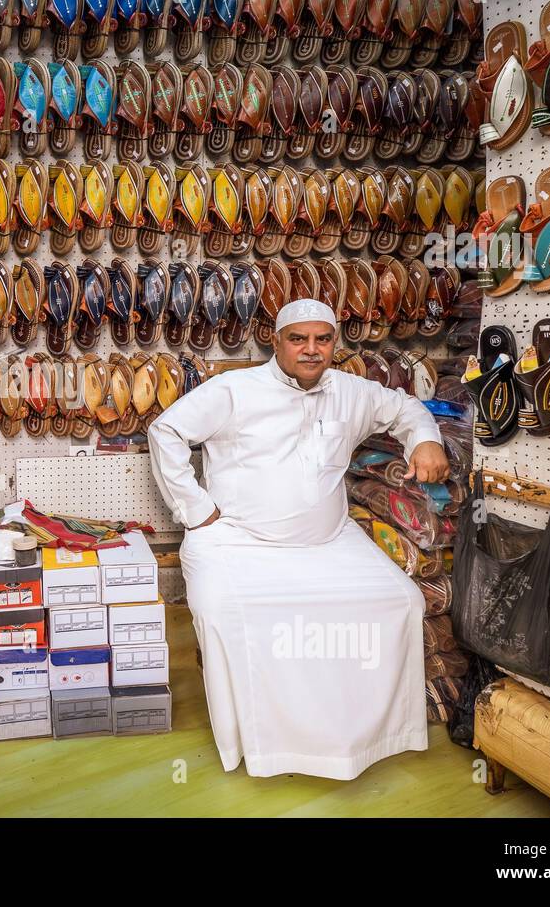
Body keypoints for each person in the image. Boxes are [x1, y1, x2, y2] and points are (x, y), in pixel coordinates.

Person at [148, 298, 451, 780]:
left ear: (334, 342)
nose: (311, 350)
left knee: (403, 602)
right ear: (277, 340)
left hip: (328, 540)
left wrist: (425, 439)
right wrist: (196, 510)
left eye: (323, 339)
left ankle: (363, 733)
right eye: (299, 339)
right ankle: (264, 742)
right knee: (224, 610)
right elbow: (165, 430)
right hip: (238, 540)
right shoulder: (234, 389)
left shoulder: (353, 391)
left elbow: (406, 408)